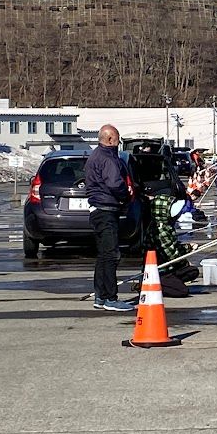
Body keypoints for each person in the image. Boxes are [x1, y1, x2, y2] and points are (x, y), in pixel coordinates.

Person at [84, 124, 134, 311]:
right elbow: (115, 183)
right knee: (112, 254)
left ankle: (100, 296)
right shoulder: (107, 159)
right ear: (110, 139)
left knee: (104, 255)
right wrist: (125, 196)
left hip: (97, 209)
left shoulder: (95, 156)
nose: (119, 143)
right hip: (105, 209)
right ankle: (110, 298)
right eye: (118, 139)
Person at [144, 195, 201, 297]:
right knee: (182, 291)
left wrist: (187, 248)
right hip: (160, 271)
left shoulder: (166, 226)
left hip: (169, 267)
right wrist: (189, 248)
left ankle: (171, 282)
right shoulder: (160, 230)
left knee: (193, 271)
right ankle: (150, 284)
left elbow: (173, 246)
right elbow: (173, 256)